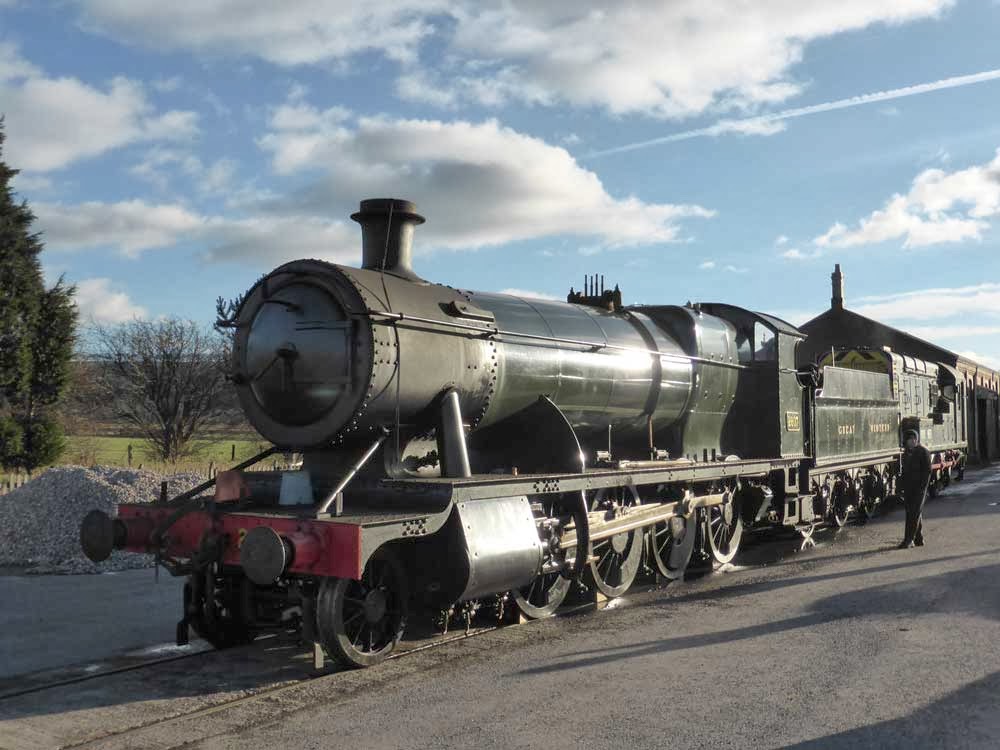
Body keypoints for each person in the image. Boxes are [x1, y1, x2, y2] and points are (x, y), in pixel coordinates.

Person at [898, 429, 931, 548]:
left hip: (919, 488)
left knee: (913, 513)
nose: (911, 441)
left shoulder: (923, 452)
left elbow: (927, 471)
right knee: (914, 512)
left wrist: (923, 487)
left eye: (913, 439)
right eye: (909, 439)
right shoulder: (906, 453)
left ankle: (908, 540)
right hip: (909, 488)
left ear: (917, 440)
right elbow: (904, 472)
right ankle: (919, 538)